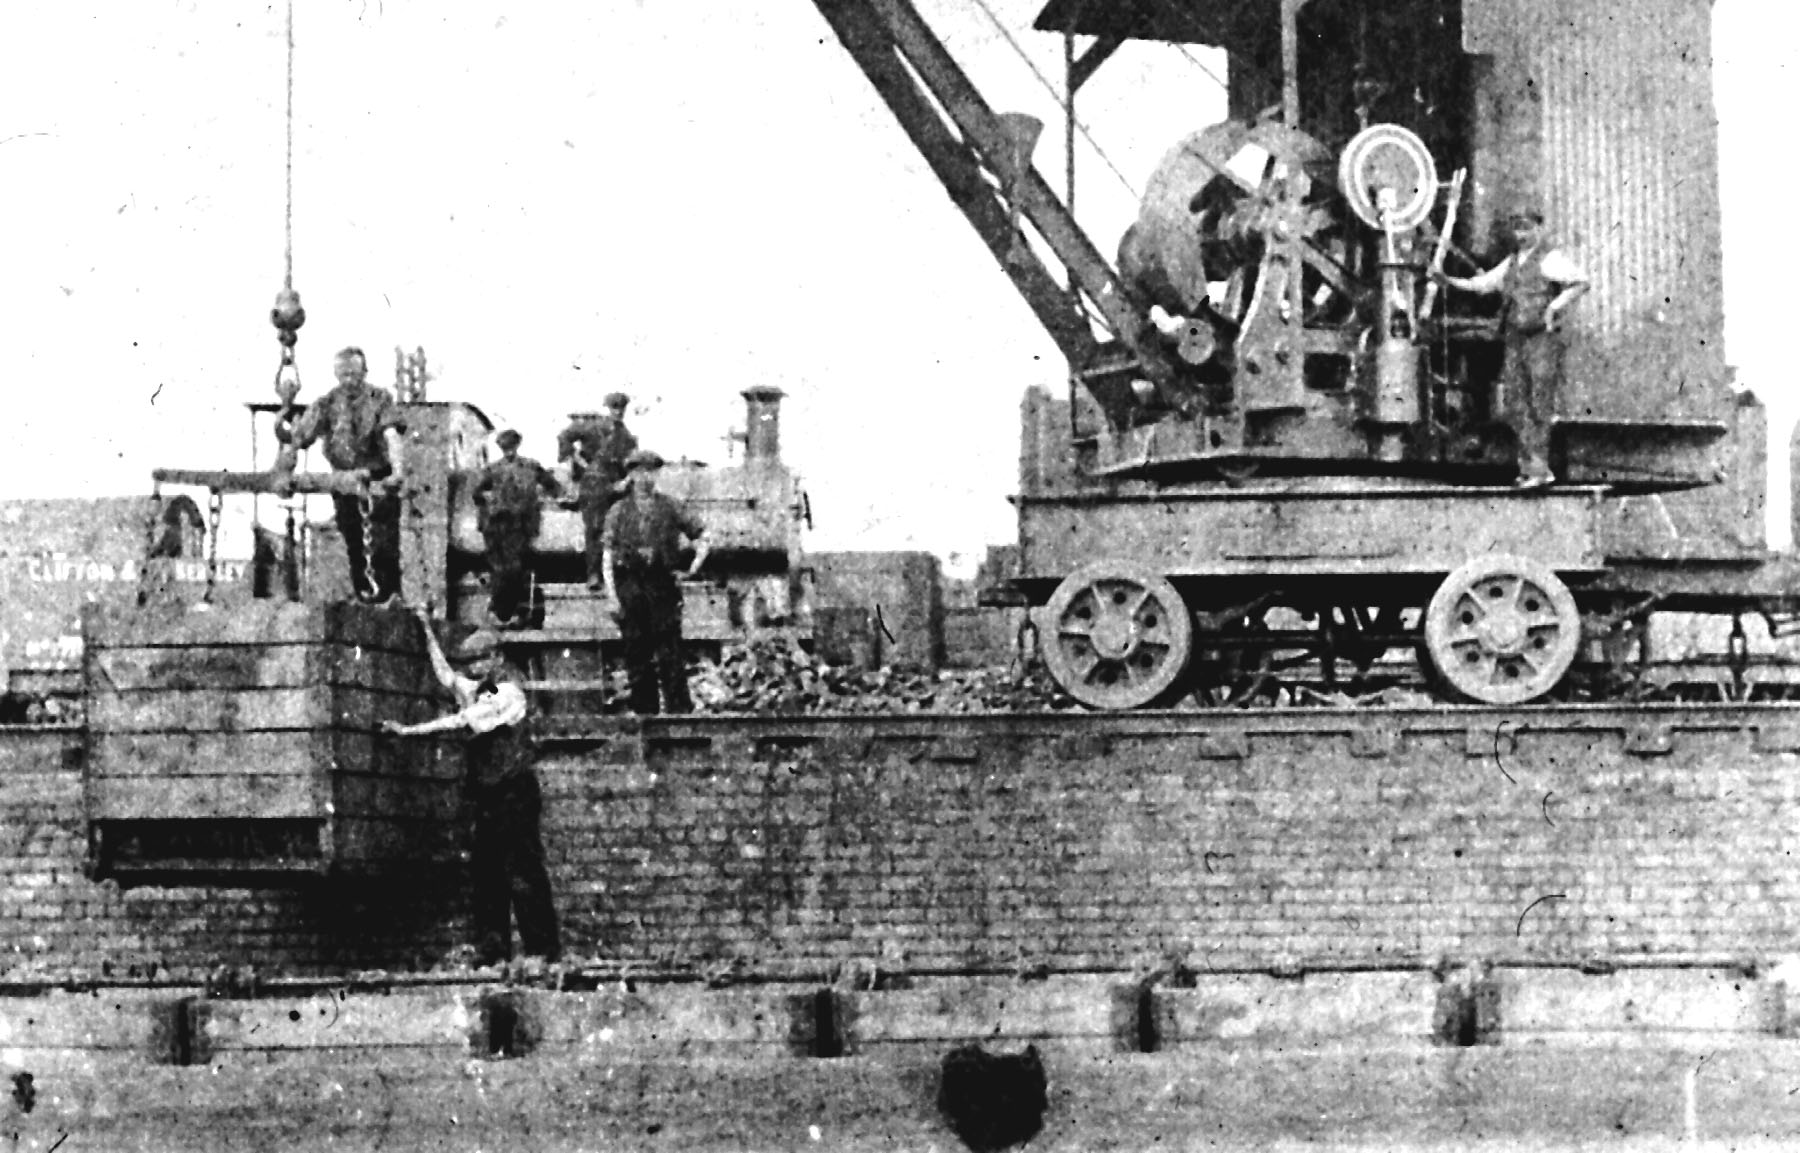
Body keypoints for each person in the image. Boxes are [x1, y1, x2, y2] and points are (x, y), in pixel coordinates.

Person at [381, 608, 561, 967]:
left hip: (514, 791)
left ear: (496, 658)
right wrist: (426, 628)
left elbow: (463, 720)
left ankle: (542, 952)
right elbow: (447, 676)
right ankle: (494, 954)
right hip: (489, 793)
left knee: (523, 872)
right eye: (471, 662)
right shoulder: (482, 687)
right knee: (487, 874)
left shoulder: (507, 691)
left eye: (480, 660)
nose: (474, 668)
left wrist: (408, 731)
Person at [1436, 206, 1591, 488]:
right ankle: (1528, 467)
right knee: (1514, 404)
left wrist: (1555, 307)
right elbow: (1483, 284)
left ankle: (1539, 469)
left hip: (1541, 340)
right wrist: (1448, 281)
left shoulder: (1549, 259)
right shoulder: (1511, 263)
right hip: (1516, 339)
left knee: (1537, 404)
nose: (1520, 234)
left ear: (1539, 229)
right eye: (1517, 228)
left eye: (1526, 228)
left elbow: (1580, 282)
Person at [274, 346, 408, 600]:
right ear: (336, 374)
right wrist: (283, 471)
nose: (348, 381)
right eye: (343, 375)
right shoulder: (326, 404)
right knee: (354, 542)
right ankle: (364, 596)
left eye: (354, 375)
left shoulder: (380, 399)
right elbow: (298, 438)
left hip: (377, 482)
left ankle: (389, 598)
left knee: (383, 545)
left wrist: (397, 473)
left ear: (364, 372)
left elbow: (391, 436)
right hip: (345, 483)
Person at [603, 450, 709, 714]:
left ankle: (679, 715)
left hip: (662, 586)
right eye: (639, 472)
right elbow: (606, 556)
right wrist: (612, 596)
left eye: (650, 472)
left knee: (670, 652)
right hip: (630, 587)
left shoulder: (671, 506)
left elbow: (704, 536)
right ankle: (645, 714)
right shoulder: (618, 511)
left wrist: (692, 569)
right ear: (631, 475)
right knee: (636, 653)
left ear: (657, 474)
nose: (644, 478)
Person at [472, 429, 562, 628]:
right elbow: (477, 493)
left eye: (511, 446)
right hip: (499, 526)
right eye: (505, 447)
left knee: (513, 569)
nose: (509, 450)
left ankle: (509, 612)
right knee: (502, 570)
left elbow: (553, 486)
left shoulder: (530, 467)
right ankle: (503, 612)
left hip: (520, 525)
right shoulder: (493, 470)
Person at [557, 392, 638, 589]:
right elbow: (564, 437)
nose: (618, 412)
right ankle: (593, 574)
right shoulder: (593, 427)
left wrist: (625, 481)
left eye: (621, 409)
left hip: (614, 487)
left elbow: (633, 461)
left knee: (619, 528)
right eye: (614, 408)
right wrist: (580, 462)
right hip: (593, 486)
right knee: (594, 530)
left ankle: (615, 573)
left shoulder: (626, 436)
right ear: (608, 409)